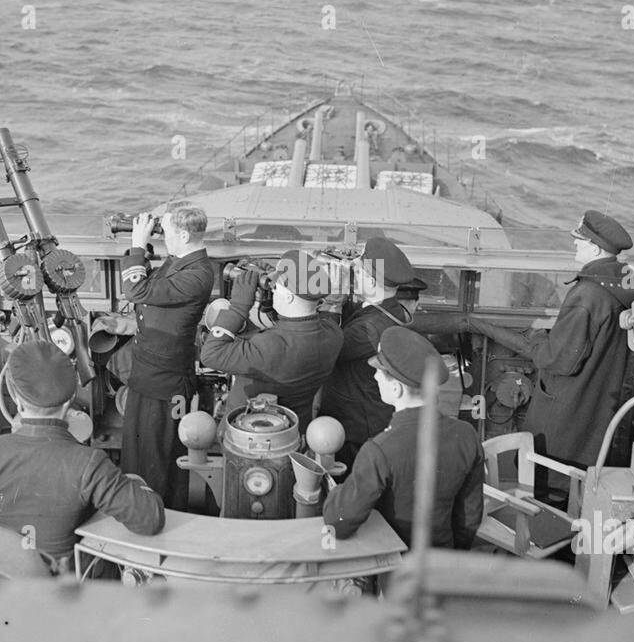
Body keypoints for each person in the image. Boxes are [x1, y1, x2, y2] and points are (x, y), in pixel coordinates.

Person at [465, 210, 634, 497]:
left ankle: (544, 527)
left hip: (567, 408)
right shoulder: (624, 283)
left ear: (596, 249)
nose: (575, 244)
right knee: (577, 471)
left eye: (580, 241)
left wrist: (538, 339)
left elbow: (558, 360)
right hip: (598, 401)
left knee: (548, 477)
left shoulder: (587, 295)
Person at [0, 341, 165, 571]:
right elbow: (151, 519)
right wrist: (136, 484)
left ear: (16, 398)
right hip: (64, 593)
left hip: (3, 582)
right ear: (70, 400)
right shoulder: (89, 464)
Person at [323, 327, 484, 549]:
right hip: (442, 559)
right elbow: (470, 515)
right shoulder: (467, 435)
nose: (375, 375)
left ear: (397, 389)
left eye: (381, 372)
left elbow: (339, 523)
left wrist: (334, 495)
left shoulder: (379, 450)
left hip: (393, 567)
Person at [117, 202, 214, 510]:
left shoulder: (197, 274)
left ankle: (158, 514)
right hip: (149, 375)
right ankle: (142, 507)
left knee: (158, 457)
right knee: (140, 451)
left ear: (184, 235)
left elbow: (137, 292)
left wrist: (136, 245)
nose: (164, 238)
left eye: (168, 232)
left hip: (165, 383)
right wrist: (142, 246)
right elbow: (146, 283)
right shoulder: (179, 260)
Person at [199, 248, 343, 433]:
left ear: (289, 297)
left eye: (276, 286)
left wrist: (238, 307)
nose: (272, 288)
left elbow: (211, 354)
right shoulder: (333, 335)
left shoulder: (270, 347)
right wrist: (271, 272)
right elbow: (301, 322)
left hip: (250, 437)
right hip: (296, 432)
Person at [318, 235, 427, 468]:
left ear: (368, 279)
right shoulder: (388, 310)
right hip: (368, 416)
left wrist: (331, 304)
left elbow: (326, 350)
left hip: (355, 428)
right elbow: (359, 316)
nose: (353, 274)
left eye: (356, 271)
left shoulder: (370, 328)